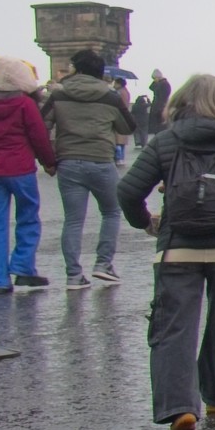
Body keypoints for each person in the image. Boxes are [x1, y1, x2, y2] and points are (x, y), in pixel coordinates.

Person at [120, 73, 215, 430]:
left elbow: (128, 190)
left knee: (173, 327)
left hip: (176, 248)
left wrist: (146, 223)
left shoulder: (165, 143)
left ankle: (179, 406)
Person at [43, 49, 136, 288]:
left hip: (69, 162)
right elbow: (127, 127)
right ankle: (103, 264)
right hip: (101, 160)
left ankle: (73, 275)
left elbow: (41, 123)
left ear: (77, 69)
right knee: (111, 212)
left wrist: (49, 158)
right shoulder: (111, 96)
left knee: (73, 220)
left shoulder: (59, 94)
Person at [0, 57, 57, 292]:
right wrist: (49, 162)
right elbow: (38, 136)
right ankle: (22, 266)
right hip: (20, 168)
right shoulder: (23, 103)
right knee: (28, 217)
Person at [145, 70, 171, 136]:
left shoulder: (164, 84)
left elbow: (162, 97)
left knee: (159, 129)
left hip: (159, 109)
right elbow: (151, 87)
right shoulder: (161, 84)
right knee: (157, 130)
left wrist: (159, 109)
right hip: (158, 108)